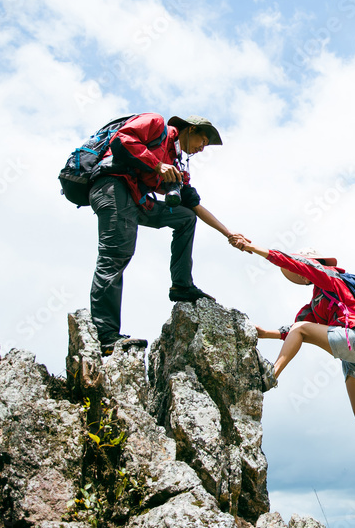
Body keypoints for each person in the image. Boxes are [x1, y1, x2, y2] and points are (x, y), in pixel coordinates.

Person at [240, 242, 355, 489]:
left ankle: (271, 376)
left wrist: (253, 248)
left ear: (313, 263)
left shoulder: (330, 278)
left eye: (303, 266)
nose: (301, 272)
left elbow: (300, 328)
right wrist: (265, 333)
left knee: (301, 330)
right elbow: (296, 329)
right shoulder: (319, 300)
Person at [88, 113, 249, 352]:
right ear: (190, 130)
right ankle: (106, 336)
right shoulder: (155, 124)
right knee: (116, 256)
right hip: (113, 188)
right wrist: (157, 164)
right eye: (202, 142)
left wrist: (228, 233)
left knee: (185, 217)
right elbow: (122, 141)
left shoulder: (177, 165)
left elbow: (192, 204)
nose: (202, 149)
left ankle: (181, 286)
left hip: (136, 201)